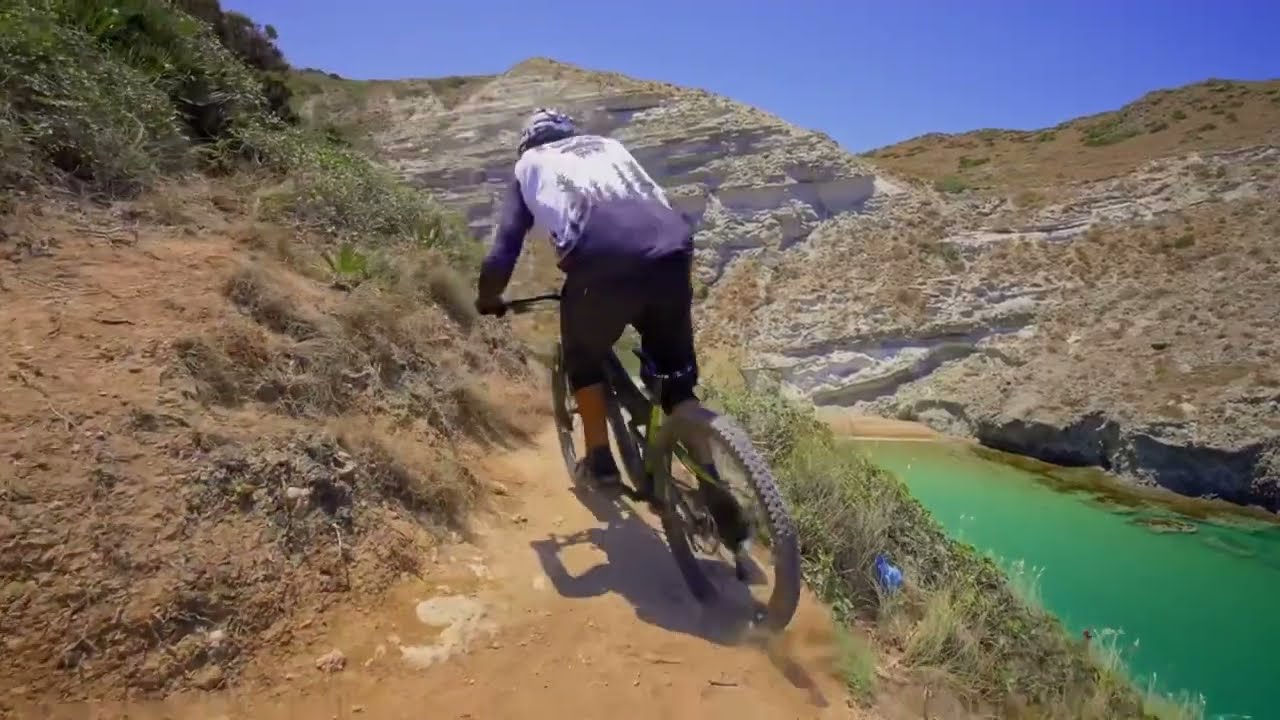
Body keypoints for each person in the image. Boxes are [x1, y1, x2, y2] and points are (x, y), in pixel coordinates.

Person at [473, 107, 748, 551]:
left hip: (600, 262)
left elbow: (501, 253)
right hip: (673, 250)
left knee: (583, 357)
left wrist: (488, 298)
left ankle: (600, 459)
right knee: (677, 383)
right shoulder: (609, 146)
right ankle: (711, 480)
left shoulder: (527, 166)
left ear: (528, 144)